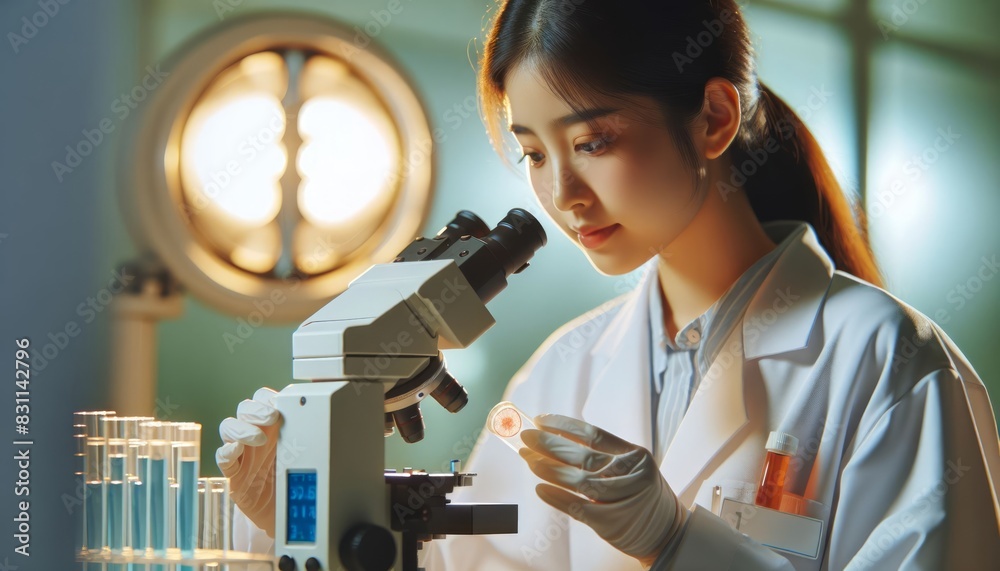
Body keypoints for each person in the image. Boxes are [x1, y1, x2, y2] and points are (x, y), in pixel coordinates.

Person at [216, 0, 1000, 568]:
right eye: (533, 152)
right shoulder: (567, 367)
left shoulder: (889, 362)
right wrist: (301, 512)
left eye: (593, 140)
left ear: (716, 119)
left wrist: (680, 544)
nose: (563, 194)